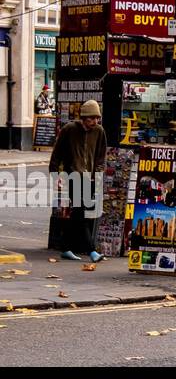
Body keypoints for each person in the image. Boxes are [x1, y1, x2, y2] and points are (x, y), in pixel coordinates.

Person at [48, 100, 107, 262]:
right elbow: (57, 154)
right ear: (84, 117)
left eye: (97, 118)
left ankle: (65, 247)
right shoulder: (69, 129)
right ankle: (91, 251)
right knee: (80, 210)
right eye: (92, 118)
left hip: (90, 178)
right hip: (71, 176)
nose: (95, 121)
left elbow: (101, 156)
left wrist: (99, 174)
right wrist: (55, 176)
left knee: (81, 214)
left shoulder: (99, 131)